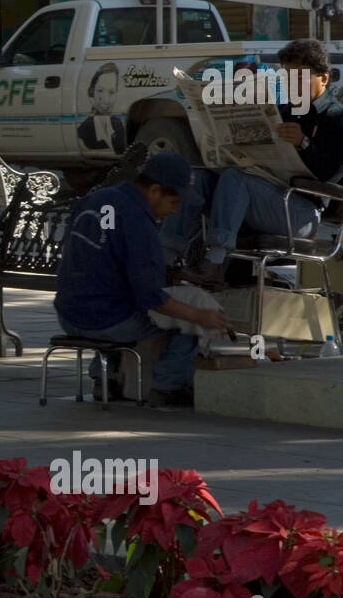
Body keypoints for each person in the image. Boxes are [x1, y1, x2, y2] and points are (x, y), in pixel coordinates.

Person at [164, 38, 343, 286]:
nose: (291, 85)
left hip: (300, 210)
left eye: (299, 78)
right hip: (266, 193)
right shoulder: (284, 110)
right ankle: (165, 259)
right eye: (287, 77)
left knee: (237, 180)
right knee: (198, 179)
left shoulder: (338, 118)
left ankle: (214, 262)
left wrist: (304, 143)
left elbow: (330, 175)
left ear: (323, 78)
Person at [54, 151, 229, 407]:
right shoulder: (139, 223)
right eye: (175, 202)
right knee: (188, 324)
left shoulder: (96, 199)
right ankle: (168, 387)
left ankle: (105, 379)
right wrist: (200, 316)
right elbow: (152, 298)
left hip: (68, 315)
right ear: (155, 191)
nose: (174, 211)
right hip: (108, 322)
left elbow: (102, 259)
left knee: (108, 301)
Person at [77, 62, 127, 153]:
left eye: (111, 92)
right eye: (100, 90)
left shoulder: (118, 125)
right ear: (91, 93)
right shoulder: (83, 131)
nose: (106, 100)